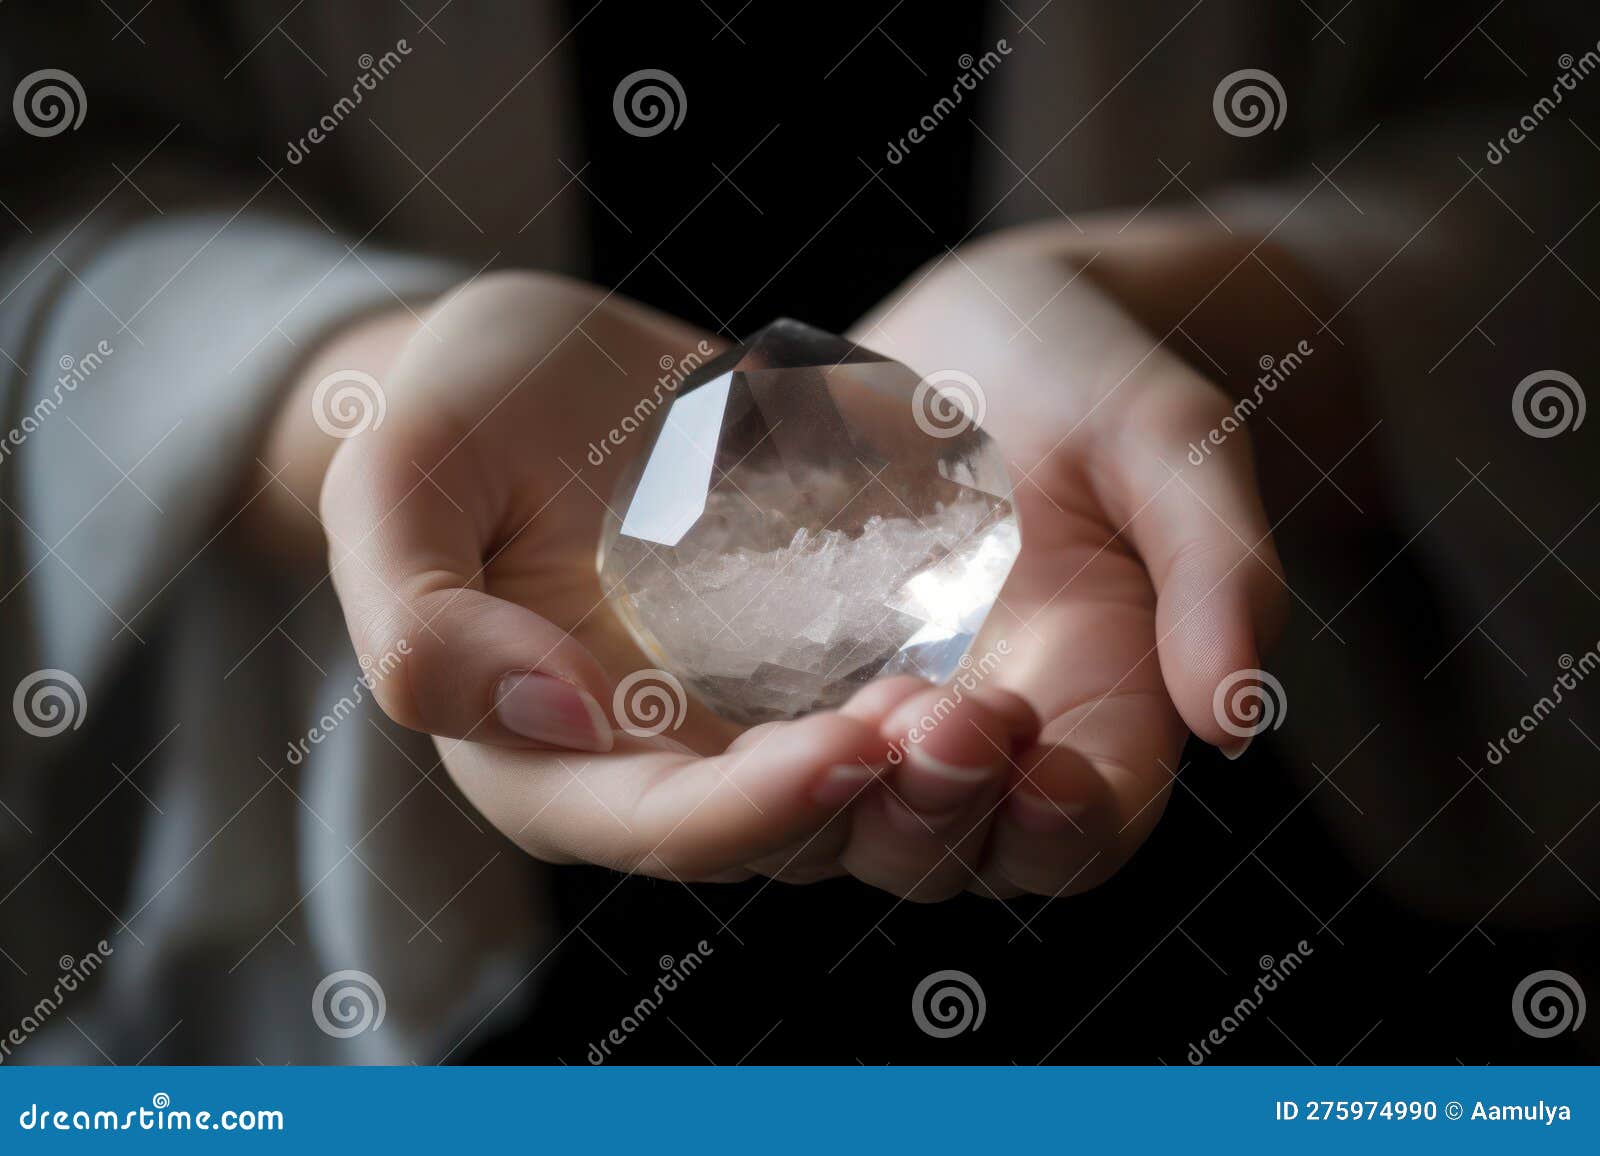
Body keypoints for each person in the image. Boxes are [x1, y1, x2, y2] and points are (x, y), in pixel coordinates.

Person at [1, 2, 1594, 1063]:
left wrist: (1209, 323)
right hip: (439, 980)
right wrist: (358, 401)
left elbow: (1545, 114)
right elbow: (45, 172)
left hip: (1302, 895)